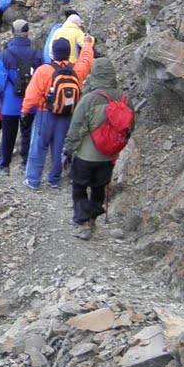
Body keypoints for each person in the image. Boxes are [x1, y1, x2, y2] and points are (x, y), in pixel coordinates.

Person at [63, 58, 131, 238]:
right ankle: (92, 219)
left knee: (79, 187)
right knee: (99, 188)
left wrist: (68, 149)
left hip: (86, 155)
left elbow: (76, 127)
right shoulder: (124, 99)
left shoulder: (89, 100)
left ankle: (84, 223)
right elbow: (129, 128)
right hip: (109, 156)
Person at [22, 33, 94, 189]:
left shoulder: (43, 71)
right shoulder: (76, 69)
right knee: (59, 146)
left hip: (45, 113)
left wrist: (25, 111)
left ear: (53, 53)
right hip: (67, 114)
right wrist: (87, 44)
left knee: (39, 145)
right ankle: (54, 179)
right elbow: (87, 61)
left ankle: (33, 180)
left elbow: (32, 95)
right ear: (69, 52)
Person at [0, 18, 43, 175]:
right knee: (28, 133)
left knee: (8, 135)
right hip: (31, 103)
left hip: (10, 103)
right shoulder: (37, 55)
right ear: (27, 33)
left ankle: (4, 165)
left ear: (12, 33)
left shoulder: (5, 55)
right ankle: (26, 163)